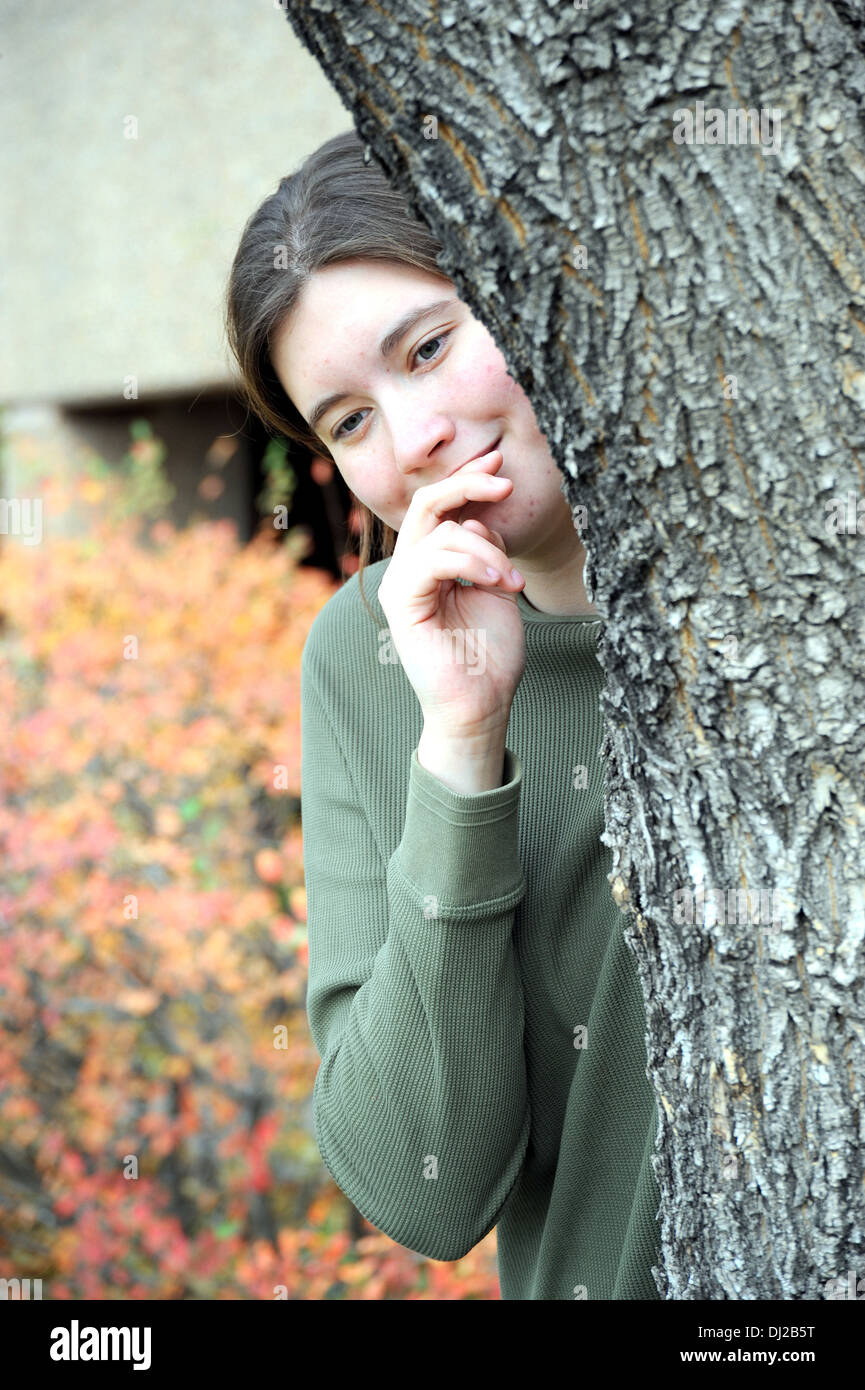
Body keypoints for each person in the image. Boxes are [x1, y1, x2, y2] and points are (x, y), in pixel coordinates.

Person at [224, 128, 662, 1299]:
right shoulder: (364, 658)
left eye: (428, 348)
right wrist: (461, 745)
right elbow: (423, 1193)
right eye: (349, 421)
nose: (413, 439)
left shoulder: (798, 561)